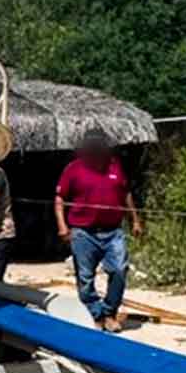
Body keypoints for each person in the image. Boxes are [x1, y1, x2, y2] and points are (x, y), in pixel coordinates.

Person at [54, 128, 144, 333]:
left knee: (119, 270)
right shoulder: (74, 169)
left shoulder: (115, 166)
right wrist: (62, 225)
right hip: (83, 232)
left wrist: (135, 219)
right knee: (85, 277)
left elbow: (125, 193)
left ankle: (110, 312)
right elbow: (60, 198)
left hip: (113, 231)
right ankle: (95, 314)